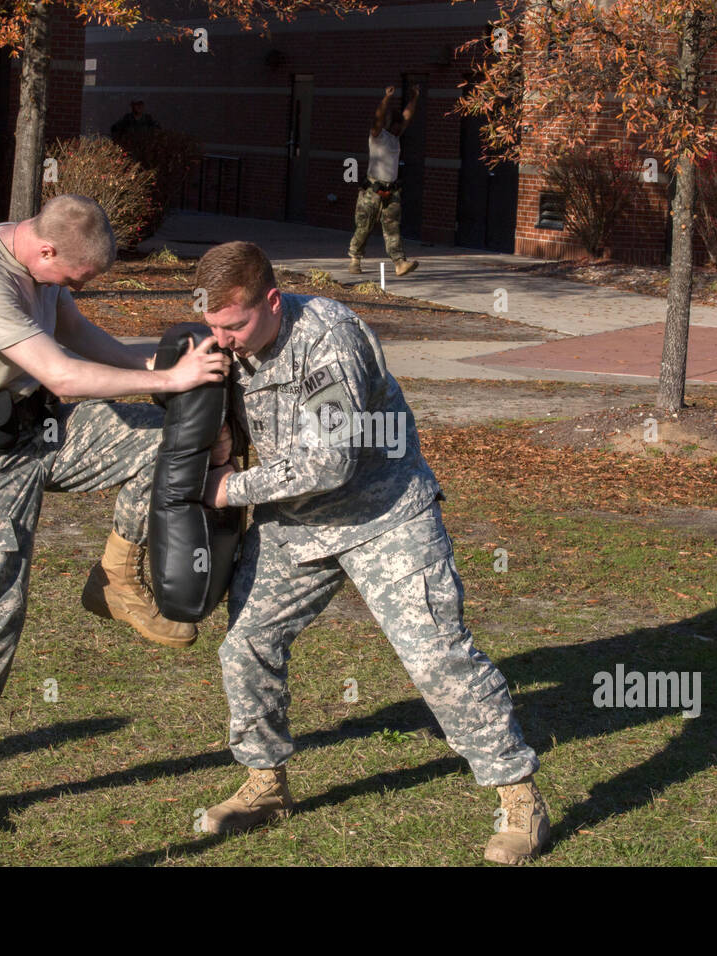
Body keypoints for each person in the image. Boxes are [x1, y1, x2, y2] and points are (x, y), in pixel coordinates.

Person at [196, 241, 547, 864]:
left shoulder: (331, 339)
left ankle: (519, 798)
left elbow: (331, 463)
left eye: (235, 325)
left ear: (272, 301)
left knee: (437, 656)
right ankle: (264, 784)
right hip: (295, 526)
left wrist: (232, 489)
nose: (223, 339)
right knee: (245, 645)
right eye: (213, 325)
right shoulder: (227, 348)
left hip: (383, 515)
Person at [0, 194, 230, 839]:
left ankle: (114, 578)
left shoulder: (34, 257)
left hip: (41, 431)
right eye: (76, 276)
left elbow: (80, 338)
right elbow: (65, 375)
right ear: (45, 250)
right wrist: (171, 383)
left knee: (166, 442)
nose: (79, 286)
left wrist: (157, 365)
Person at [348, 85, 420, 278]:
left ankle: (399, 263)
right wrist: (386, 99)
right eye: (395, 126)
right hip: (373, 188)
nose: (399, 129)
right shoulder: (377, 136)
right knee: (364, 226)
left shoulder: (396, 138)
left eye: (399, 126)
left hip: (392, 189)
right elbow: (377, 118)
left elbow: (407, 117)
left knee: (392, 227)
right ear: (389, 125)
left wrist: (414, 98)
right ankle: (355, 258)